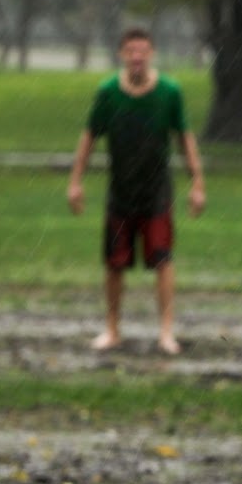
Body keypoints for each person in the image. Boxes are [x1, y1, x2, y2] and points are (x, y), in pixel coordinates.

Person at [66, 27, 205, 355]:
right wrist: (75, 182)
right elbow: (89, 137)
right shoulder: (108, 92)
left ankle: (166, 333)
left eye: (143, 50)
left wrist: (197, 182)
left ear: (152, 53)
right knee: (114, 263)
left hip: (156, 191)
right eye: (131, 51)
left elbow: (184, 138)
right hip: (121, 190)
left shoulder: (169, 92)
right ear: (122, 55)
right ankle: (112, 330)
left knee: (162, 259)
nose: (137, 57)